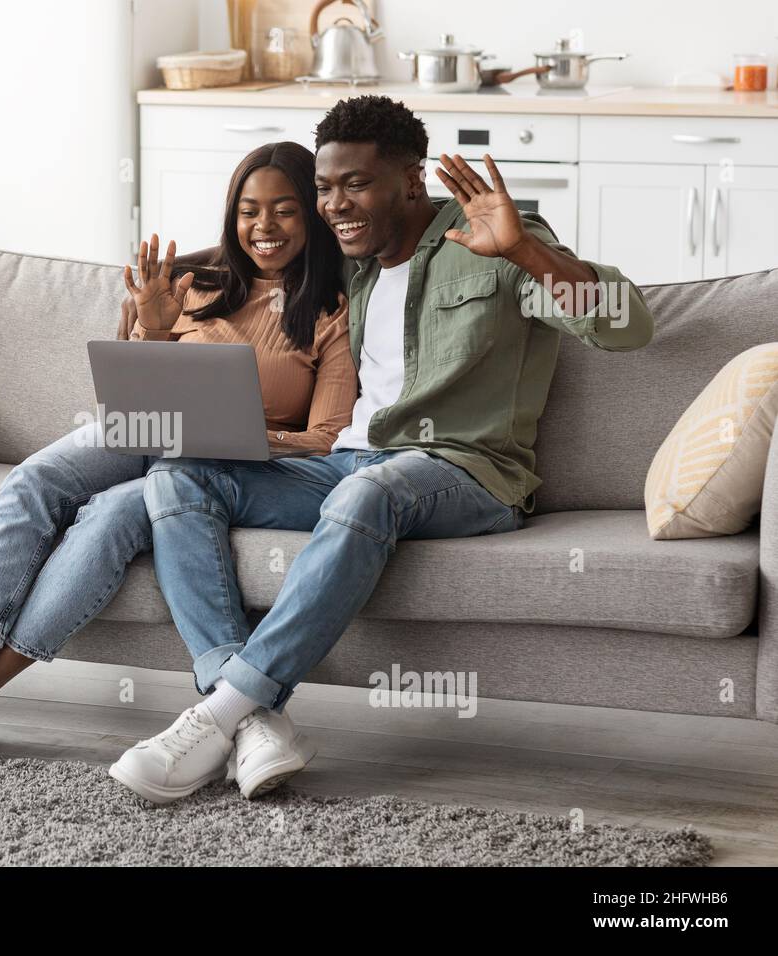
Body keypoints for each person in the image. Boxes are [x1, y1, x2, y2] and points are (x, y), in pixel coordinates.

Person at [108, 95, 655, 805]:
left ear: (410, 179)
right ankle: (252, 721)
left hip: (468, 473)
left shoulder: (486, 240)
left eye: (356, 184)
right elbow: (255, 251)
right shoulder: (350, 258)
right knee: (178, 477)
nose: (336, 205)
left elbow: (627, 325)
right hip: (344, 465)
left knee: (372, 489)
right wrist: (156, 318)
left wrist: (522, 248)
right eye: (326, 189)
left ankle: (215, 713)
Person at [0, 141, 358, 773]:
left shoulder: (331, 310)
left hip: (225, 462)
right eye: (248, 211)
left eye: (285, 211)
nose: (263, 228)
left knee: (107, 522)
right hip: (145, 426)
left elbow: (327, 435)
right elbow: (133, 373)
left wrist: (239, 436)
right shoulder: (194, 284)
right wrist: (153, 326)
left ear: (312, 217)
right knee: (32, 482)